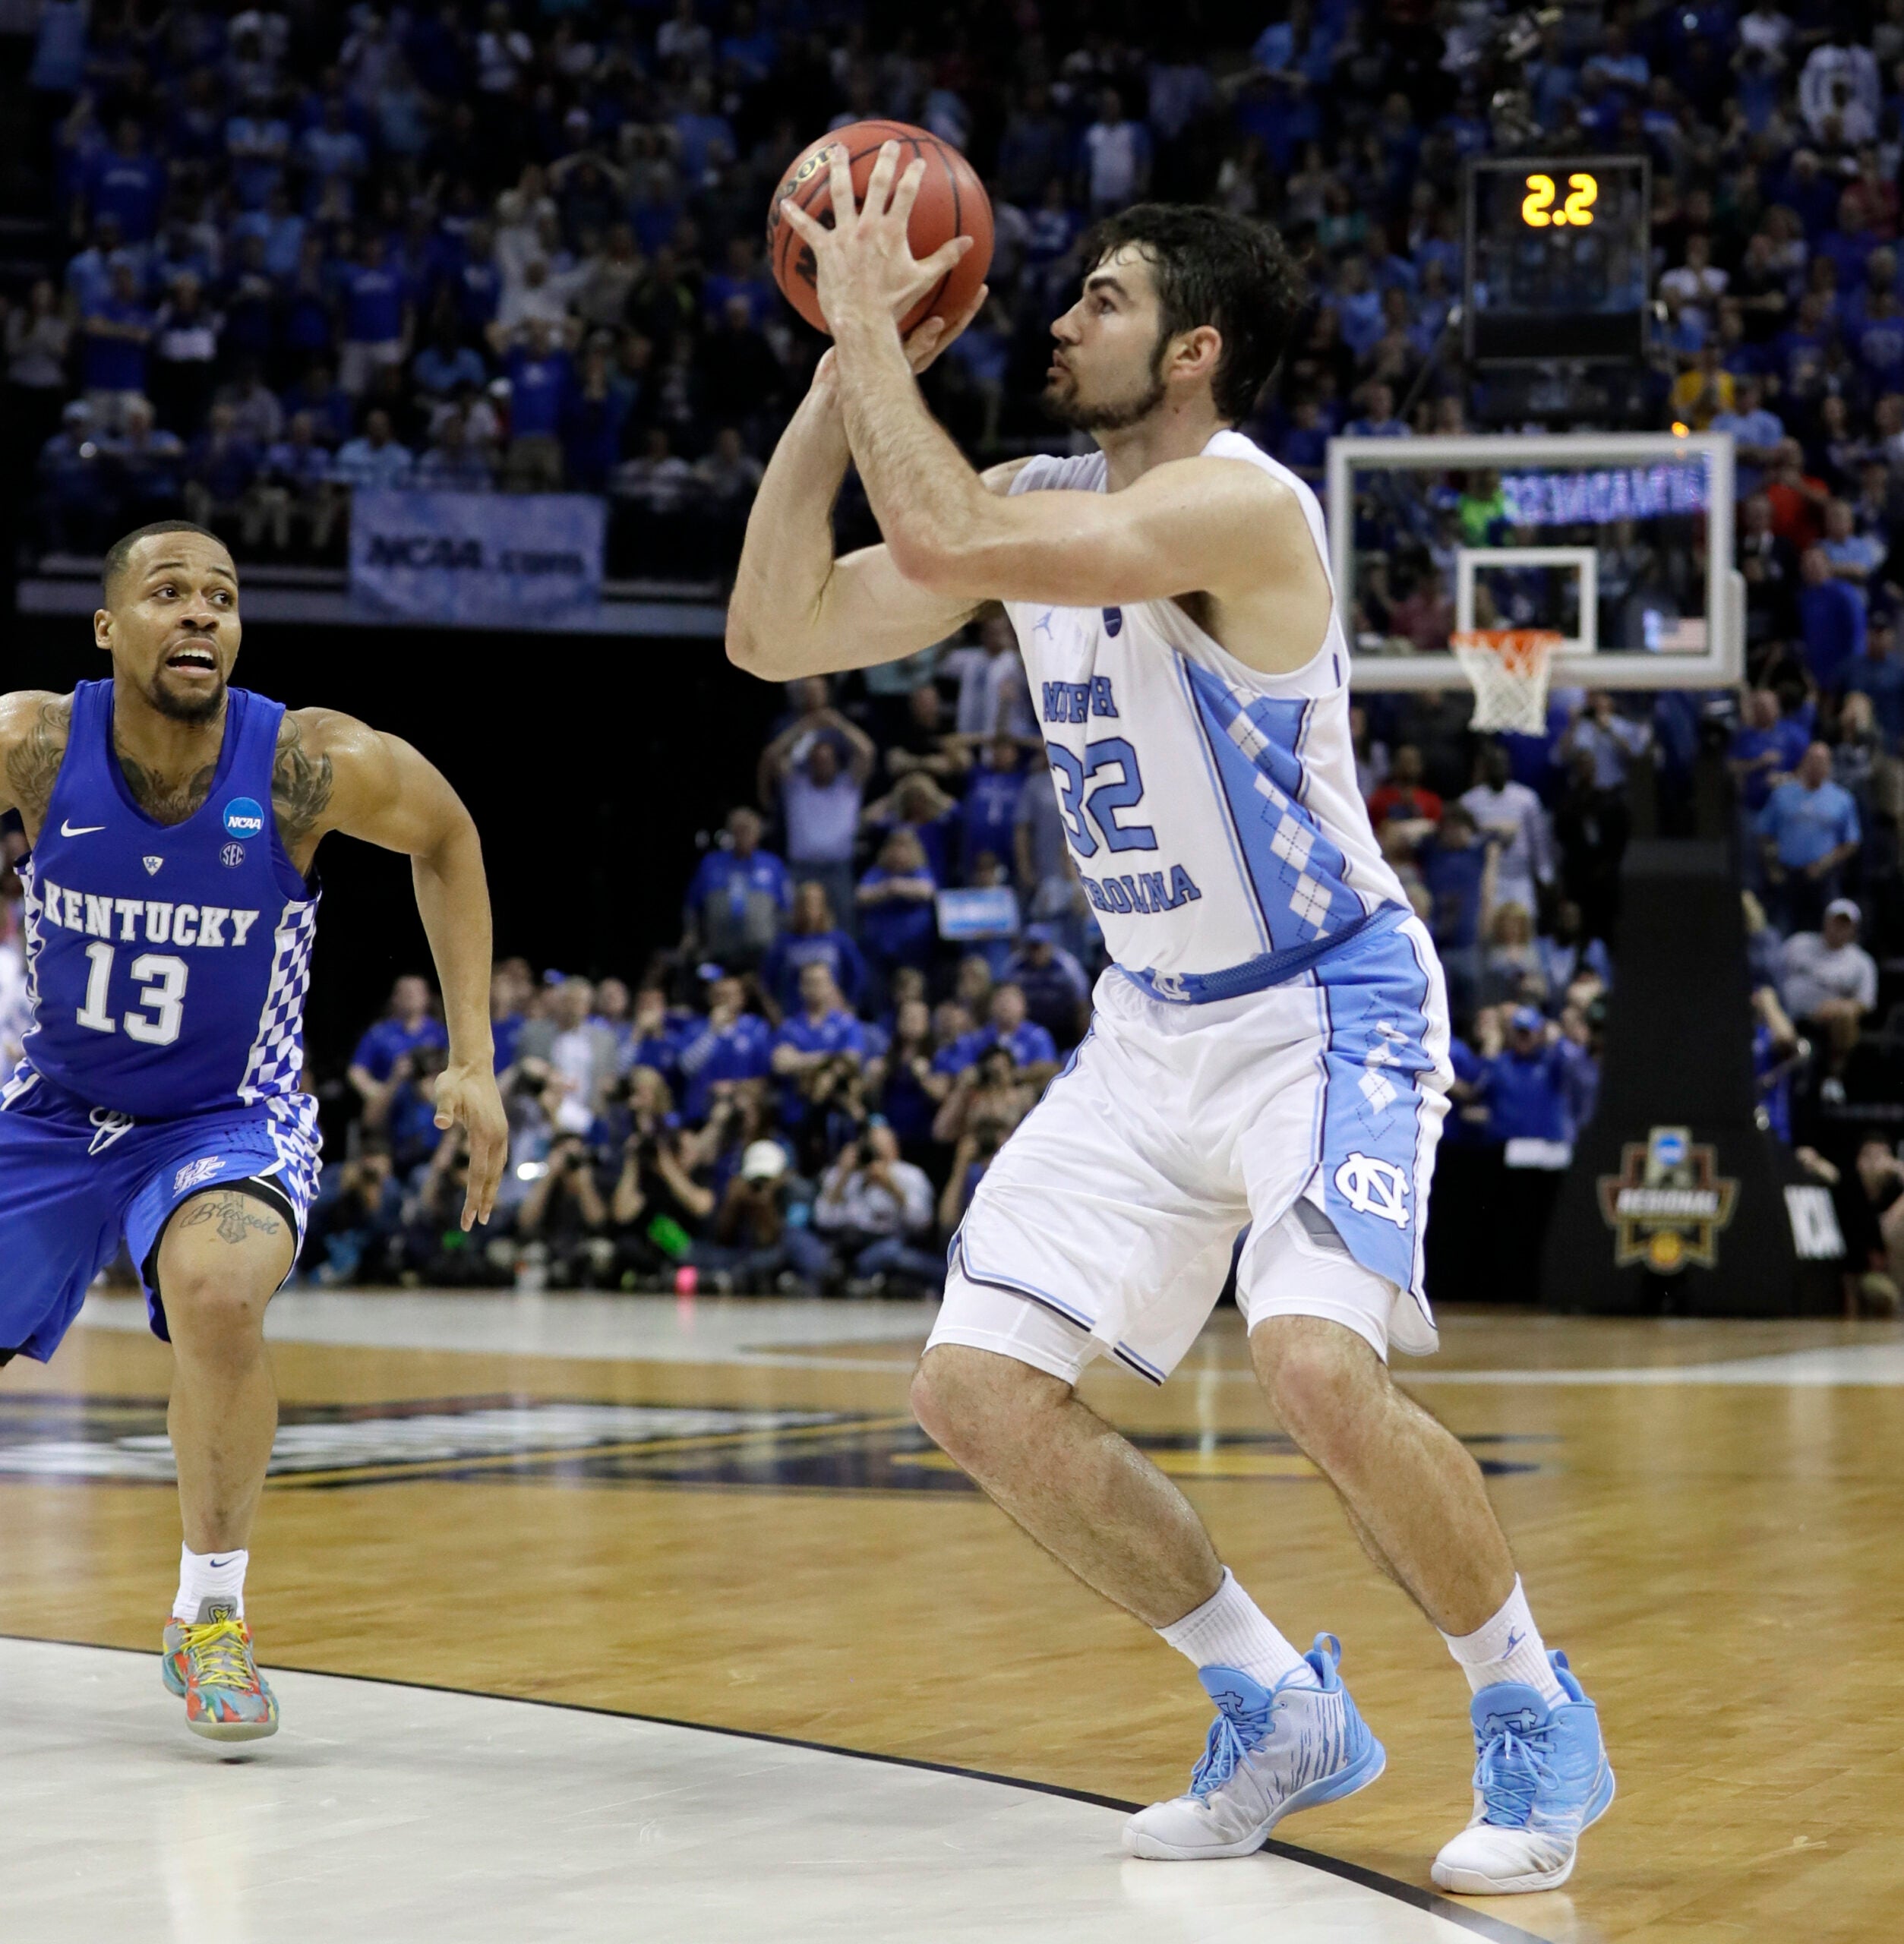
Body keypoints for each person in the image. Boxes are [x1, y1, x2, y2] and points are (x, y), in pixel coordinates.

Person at [730, 176, 1610, 1892]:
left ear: (1193, 350)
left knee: (1309, 1368)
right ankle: (1267, 1694)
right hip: (1150, 1025)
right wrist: (840, 381)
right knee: (973, 1387)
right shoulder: (1036, 495)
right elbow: (776, 629)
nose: (1058, 317)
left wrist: (863, 324)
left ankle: (1530, 1703)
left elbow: (952, 547)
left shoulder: (1243, 512)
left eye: (1107, 299)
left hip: (1325, 1005)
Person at [0, 519, 506, 1740]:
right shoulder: (33, 743)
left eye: (220, 598)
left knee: (221, 1291)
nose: (199, 615)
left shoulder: (304, 767)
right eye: (167, 593)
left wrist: (475, 1060)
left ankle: (210, 1621)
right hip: (56, 1112)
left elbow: (446, 836)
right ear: (110, 628)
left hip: (226, 1119)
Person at [1758, 741, 1861, 935]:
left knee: (1824, 932)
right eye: (1812, 760)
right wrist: (1772, 866)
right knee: (1783, 929)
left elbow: (1851, 842)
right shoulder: (1782, 794)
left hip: (1823, 877)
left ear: (1829, 765)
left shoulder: (1842, 799)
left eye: (1822, 761)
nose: (1816, 765)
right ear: (1804, 762)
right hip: (1787, 875)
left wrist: (1825, 863)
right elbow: (1765, 833)